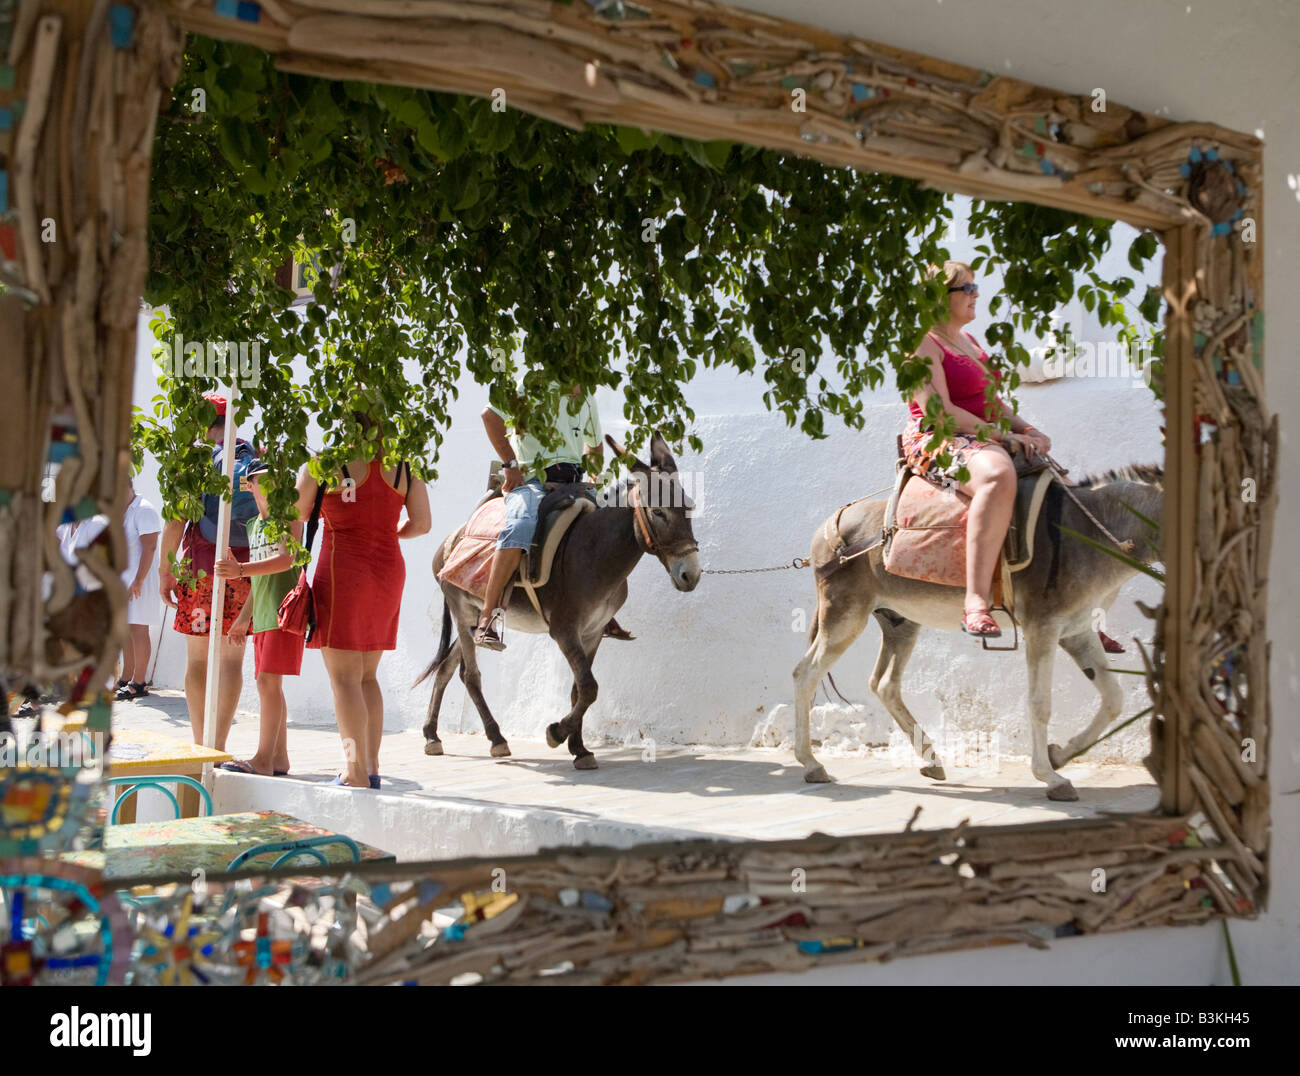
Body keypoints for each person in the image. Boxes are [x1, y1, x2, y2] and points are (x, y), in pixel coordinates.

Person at [903, 262, 1126, 651]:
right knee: (997, 475)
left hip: (987, 435)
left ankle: (1079, 611)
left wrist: (1026, 430)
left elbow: (995, 402)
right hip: (940, 438)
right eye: (966, 287)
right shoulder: (921, 343)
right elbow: (940, 413)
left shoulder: (970, 343)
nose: (976, 293)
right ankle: (976, 601)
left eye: (976, 286)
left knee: (1072, 496)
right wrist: (1004, 437)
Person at [294, 408, 431, 789]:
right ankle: (370, 768)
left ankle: (353, 771)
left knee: (343, 679)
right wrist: (387, 535)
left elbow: (300, 513)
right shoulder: (403, 464)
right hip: (388, 570)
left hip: (343, 570)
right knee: (368, 677)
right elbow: (422, 524)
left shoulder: (326, 462)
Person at [474, 383, 623, 650]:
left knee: (609, 527)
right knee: (519, 526)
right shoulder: (531, 383)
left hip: (575, 483)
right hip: (533, 481)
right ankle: (487, 618)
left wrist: (593, 477)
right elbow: (490, 416)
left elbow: (595, 445)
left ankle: (603, 610)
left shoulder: (586, 395)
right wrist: (510, 465)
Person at [158, 392, 259, 749]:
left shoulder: (195, 463)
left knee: (198, 660)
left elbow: (174, 522)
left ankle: (201, 743)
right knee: (232, 659)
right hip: (242, 569)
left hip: (200, 569)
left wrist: (164, 572)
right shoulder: (253, 456)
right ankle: (219, 744)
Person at [214, 460, 303, 777]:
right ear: (249, 484)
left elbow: (285, 560)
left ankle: (264, 759)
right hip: (263, 613)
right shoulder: (253, 526)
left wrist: (240, 570)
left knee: (268, 682)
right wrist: (243, 618)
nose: (272, 483)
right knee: (268, 684)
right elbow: (260, 579)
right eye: (263, 478)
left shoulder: (290, 516)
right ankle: (278, 758)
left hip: (283, 611)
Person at [115, 479, 162, 701]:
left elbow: (150, 546)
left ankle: (139, 682)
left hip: (139, 582)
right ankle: (126, 678)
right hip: (126, 581)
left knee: (138, 630)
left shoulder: (143, 509)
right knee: (126, 629)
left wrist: (138, 580)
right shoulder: (123, 511)